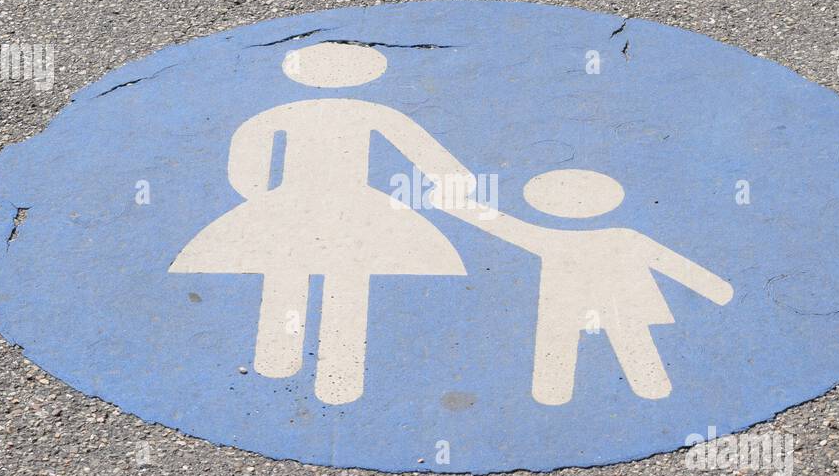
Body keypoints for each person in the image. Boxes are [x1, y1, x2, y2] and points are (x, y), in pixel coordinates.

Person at [170, 41, 474, 405]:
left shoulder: (278, 115)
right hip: (356, 206)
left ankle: (277, 358)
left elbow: (246, 170)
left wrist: (266, 200)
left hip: (290, 203)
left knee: (285, 272)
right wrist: (452, 184)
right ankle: (340, 376)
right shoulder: (373, 113)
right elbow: (431, 158)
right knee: (350, 277)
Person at [431, 168, 734, 405]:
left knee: (560, 342)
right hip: (622, 302)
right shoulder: (622, 235)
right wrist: (716, 289)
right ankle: (651, 386)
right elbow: (670, 261)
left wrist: (454, 204)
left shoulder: (550, 237)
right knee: (630, 339)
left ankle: (553, 391)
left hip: (565, 302)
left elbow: (501, 223)